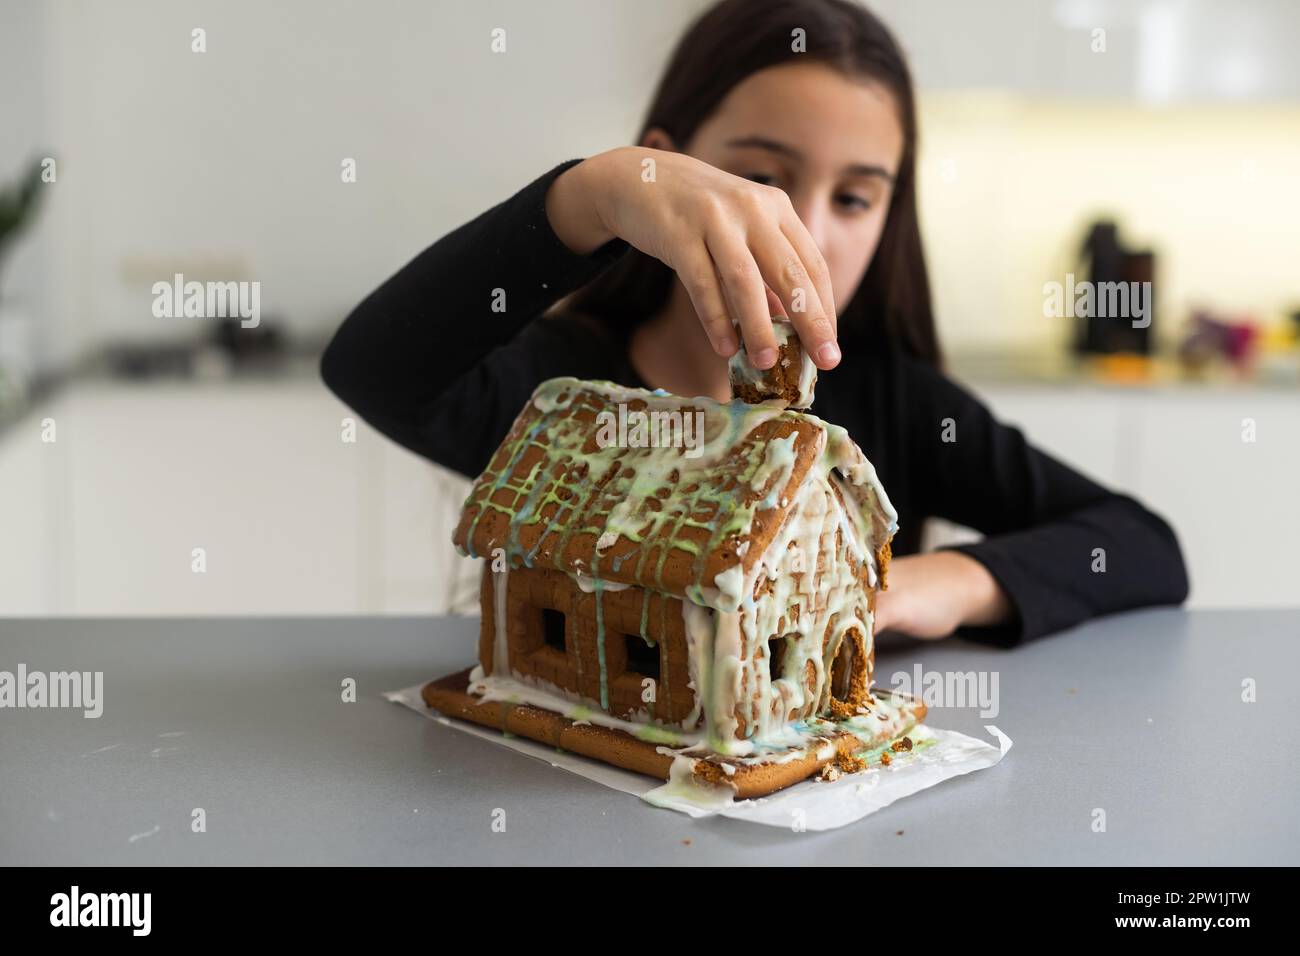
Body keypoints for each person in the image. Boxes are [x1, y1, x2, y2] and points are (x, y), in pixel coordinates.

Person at [321, 0, 1188, 645]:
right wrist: (593, 193)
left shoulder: (893, 404)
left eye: (854, 197)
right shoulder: (558, 401)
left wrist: (945, 583)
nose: (802, 229)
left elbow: (1142, 545)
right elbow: (374, 364)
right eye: (759, 177)